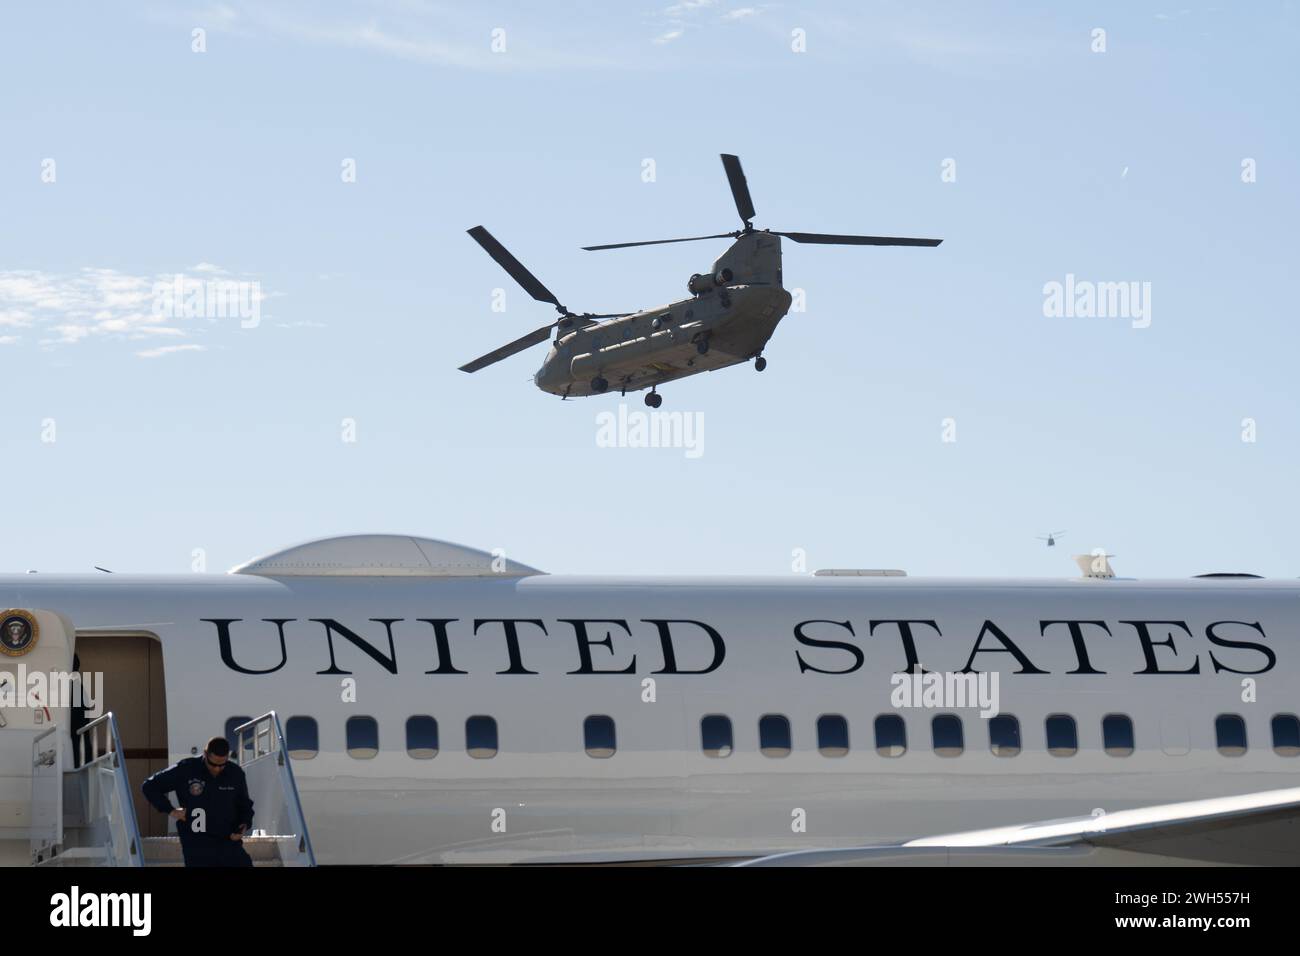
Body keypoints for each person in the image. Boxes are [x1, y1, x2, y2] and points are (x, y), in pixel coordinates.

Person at [142, 736, 255, 867]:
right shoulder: (186, 769)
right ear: (205, 754)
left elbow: (244, 805)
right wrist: (170, 810)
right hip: (197, 842)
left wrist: (244, 824)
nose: (217, 768)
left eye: (222, 765)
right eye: (213, 764)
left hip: (227, 839)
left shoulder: (235, 773)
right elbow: (149, 786)